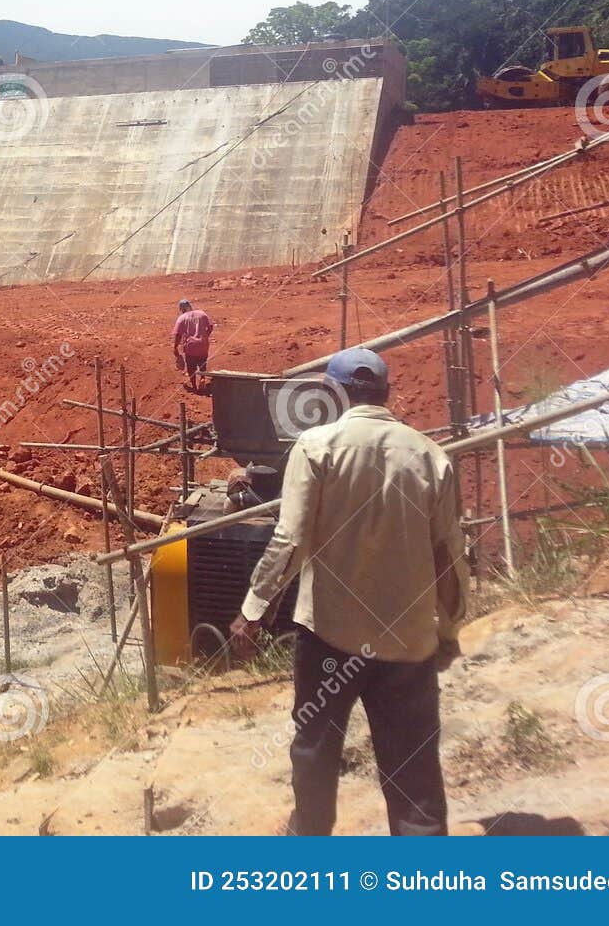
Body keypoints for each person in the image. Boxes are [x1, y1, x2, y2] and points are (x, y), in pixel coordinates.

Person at [229, 348, 468, 836]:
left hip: (330, 639)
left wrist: (254, 611)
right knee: (414, 771)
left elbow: (290, 538)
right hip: (408, 642)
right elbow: (448, 555)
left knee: (315, 750)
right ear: (386, 394)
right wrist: (448, 628)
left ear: (333, 393)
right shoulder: (430, 456)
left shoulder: (317, 446)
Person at [171, 299, 215, 390]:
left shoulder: (182, 318)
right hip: (203, 344)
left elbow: (178, 335)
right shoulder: (202, 313)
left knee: (191, 367)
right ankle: (202, 378)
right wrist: (205, 336)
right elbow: (210, 326)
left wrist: (175, 347)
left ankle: (194, 386)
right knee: (202, 363)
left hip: (190, 346)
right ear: (190, 306)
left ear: (181, 309)